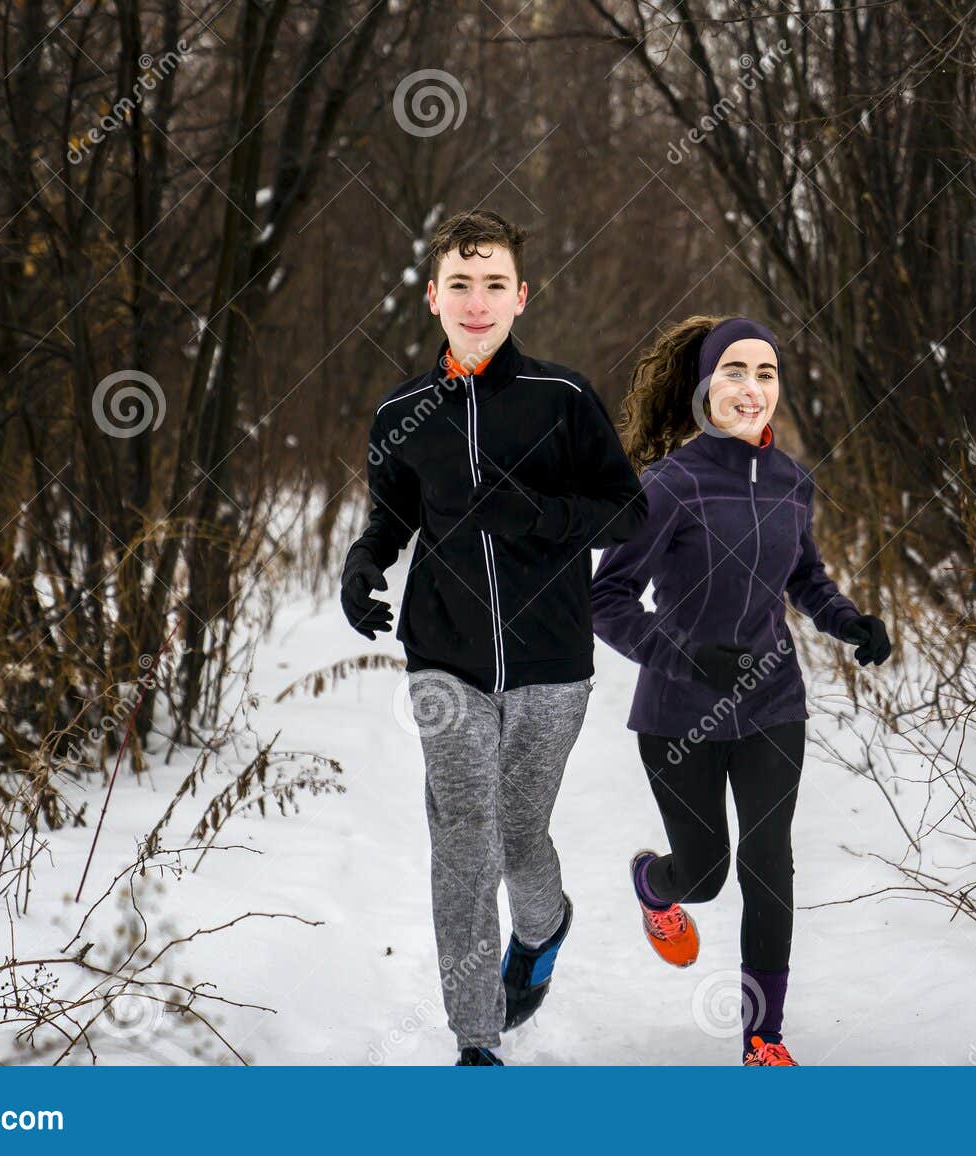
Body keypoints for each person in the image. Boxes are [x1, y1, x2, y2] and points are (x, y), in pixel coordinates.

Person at [341, 210, 648, 1065]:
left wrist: (534, 515)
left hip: (552, 660)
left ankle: (545, 925)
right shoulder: (402, 410)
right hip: (444, 656)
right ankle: (476, 1042)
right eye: (460, 285)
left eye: (495, 285)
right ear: (434, 296)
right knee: (465, 832)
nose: (477, 301)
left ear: (522, 296)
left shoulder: (563, 398)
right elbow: (393, 512)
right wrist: (364, 561)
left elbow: (629, 511)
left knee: (518, 832)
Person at [590, 315, 891, 1066]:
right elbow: (609, 599)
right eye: (734, 372)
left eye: (766, 373)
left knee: (767, 862)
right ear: (703, 388)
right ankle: (652, 886)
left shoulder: (792, 481)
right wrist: (685, 657)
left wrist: (849, 623)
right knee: (706, 874)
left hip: (770, 701)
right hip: (677, 712)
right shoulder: (669, 485)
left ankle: (764, 1038)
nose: (752, 389)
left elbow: (804, 578)